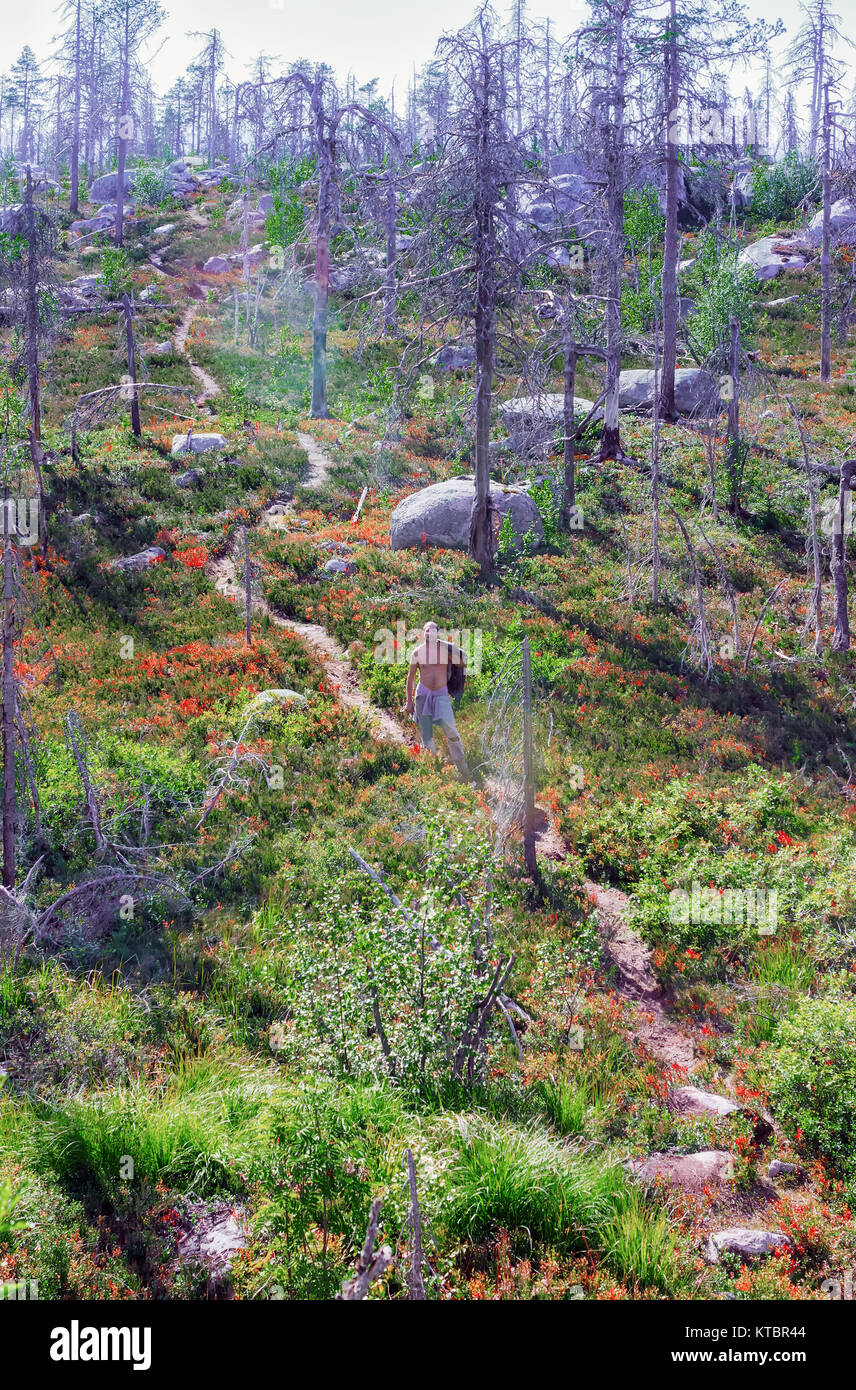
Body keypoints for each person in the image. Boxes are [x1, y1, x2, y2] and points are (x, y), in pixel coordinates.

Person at [404, 621, 469, 778]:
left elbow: (462, 661)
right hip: (423, 695)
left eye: (433, 631)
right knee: (427, 736)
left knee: (452, 731)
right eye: (427, 631)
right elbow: (411, 678)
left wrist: (449, 647)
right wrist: (409, 701)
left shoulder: (445, 651)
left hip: (441, 695)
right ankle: (433, 772)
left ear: (437, 634)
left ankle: (463, 769)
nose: (430, 634)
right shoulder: (417, 653)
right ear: (422, 634)